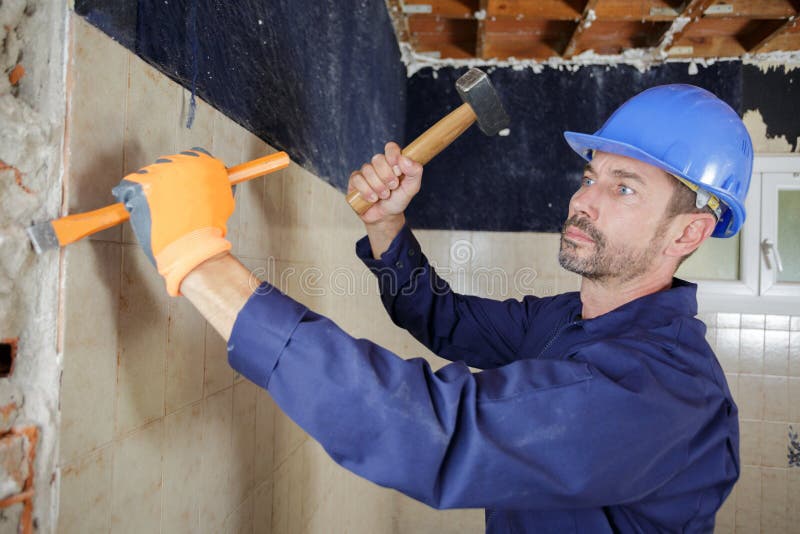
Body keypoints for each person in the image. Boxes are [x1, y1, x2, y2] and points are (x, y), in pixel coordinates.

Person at [113, 84, 751, 533]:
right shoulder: (565, 321)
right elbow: (441, 318)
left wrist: (198, 258)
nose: (585, 200)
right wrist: (388, 224)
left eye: (625, 187)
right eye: (591, 176)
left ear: (687, 234)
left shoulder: (666, 392)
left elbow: (440, 432)